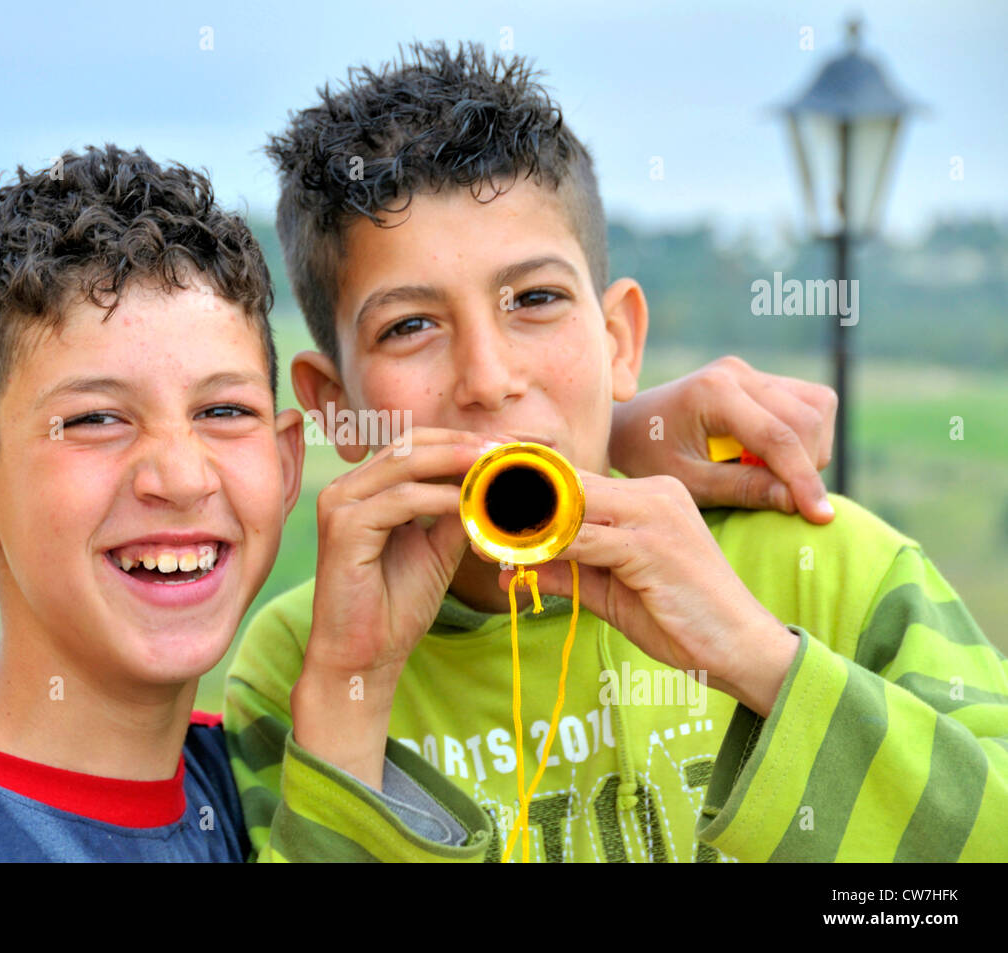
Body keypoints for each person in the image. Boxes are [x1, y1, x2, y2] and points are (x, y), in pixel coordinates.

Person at [224, 41, 1008, 862]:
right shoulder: (298, 666)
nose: (488, 379)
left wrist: (760, 658)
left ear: (618, 342)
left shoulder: (831, 565)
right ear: (338, 410)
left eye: (535, 299)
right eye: (410, 326)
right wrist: (354, 692)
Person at [0, 145, 493, 862]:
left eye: (224, 412)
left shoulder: (282, 788)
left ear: (287, 465)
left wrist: (352, 684)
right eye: (95, 419)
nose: (181, 477)